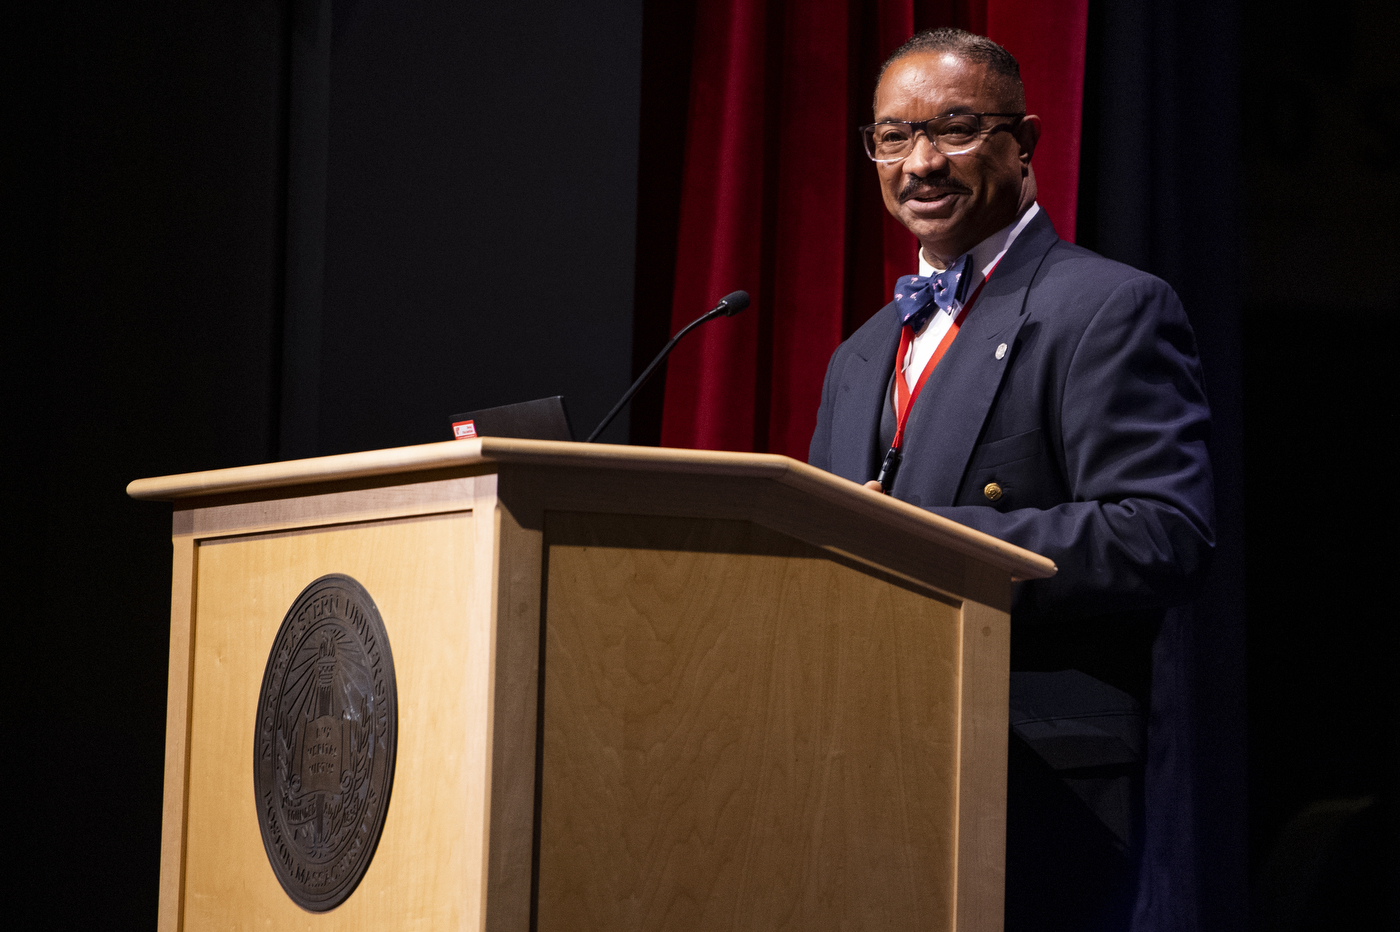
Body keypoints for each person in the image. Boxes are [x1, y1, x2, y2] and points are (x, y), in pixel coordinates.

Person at [808, 28, 1215, 930]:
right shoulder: (860, 353)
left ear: (1024, 142)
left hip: (1032, 782)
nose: (920, 163)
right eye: (891, 137)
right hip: (867, 778)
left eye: (954, 130)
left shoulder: (1108, 306)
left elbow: (1162, 534)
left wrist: (927, 546)